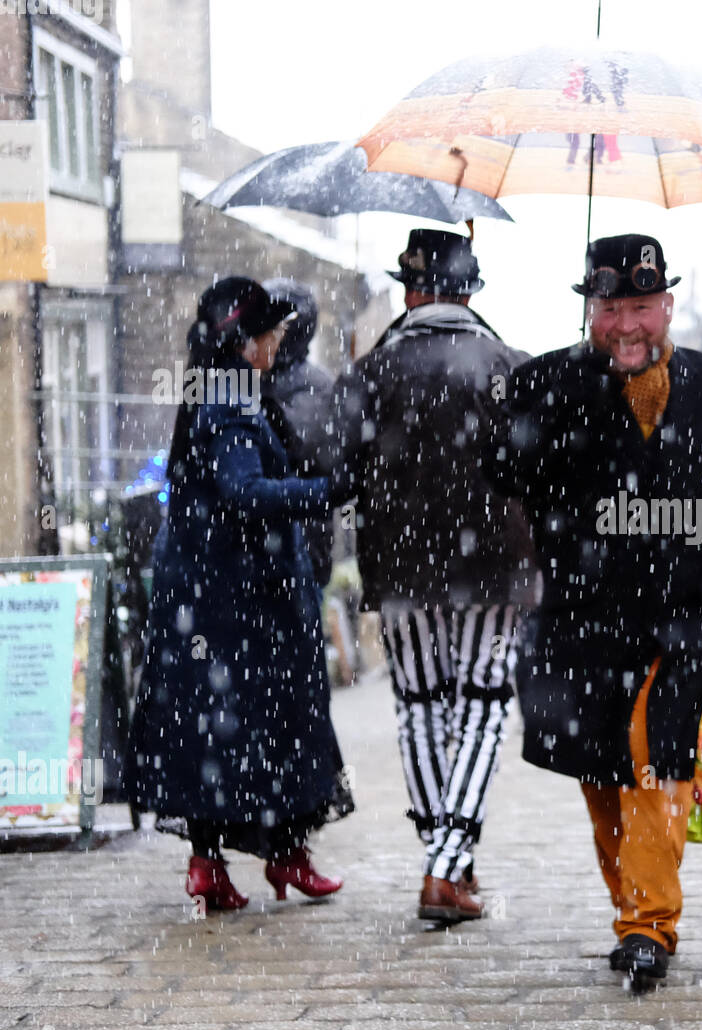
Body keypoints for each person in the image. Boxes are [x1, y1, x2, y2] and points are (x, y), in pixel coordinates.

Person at [486, 234, 702, 987]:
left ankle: (648, 926)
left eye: (641, 307)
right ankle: (633, 903)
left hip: (684, 613)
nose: (627, 325)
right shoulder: (550, 384)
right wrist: (524, 410)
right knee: (604, 769)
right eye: (611, 309)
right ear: (590, 310)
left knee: (660, 757)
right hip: (585, 617)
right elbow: (502, 472)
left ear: (667, 306)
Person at [127, 277, 353, 910]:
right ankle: (283, 856)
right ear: (247, 342)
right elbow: (243, 492)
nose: (277, 347)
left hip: (212, 588)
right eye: (271, 337)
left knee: (215, 727)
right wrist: (325, 491)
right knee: (271, 719)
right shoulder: (230, 400)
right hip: (241, 595)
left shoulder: (214, 389)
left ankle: (217, 866)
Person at [332, 229, 537, 924]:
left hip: (399, 567)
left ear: (412, 291)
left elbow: (337, 477)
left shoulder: (371, 371)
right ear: (471, 291)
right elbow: (547, 466)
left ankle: (446, 862)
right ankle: (448, 866)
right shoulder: (514, 366)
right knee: (480, 707)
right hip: (497, 567)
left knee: (419, 706)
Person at [261, 277, 338, 589]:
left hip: (301, 550)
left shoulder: (315, 385)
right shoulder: (253, 377)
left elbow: (298, 448)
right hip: (261, 548)